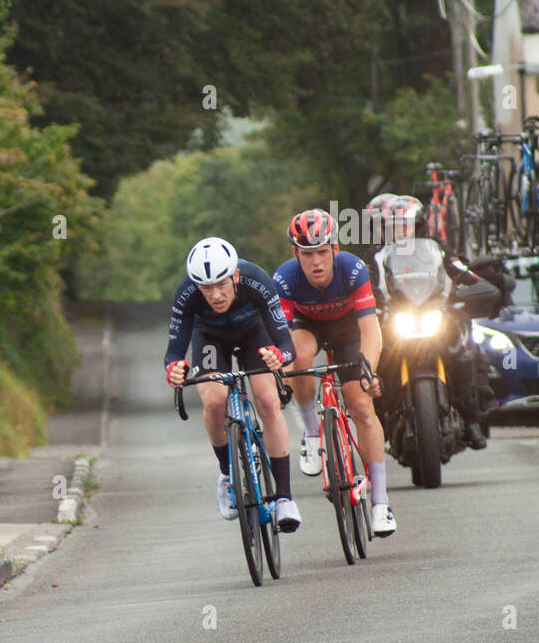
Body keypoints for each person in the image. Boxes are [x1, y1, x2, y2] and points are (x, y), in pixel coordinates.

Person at [164, 237, 301, 531]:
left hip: (255, 333)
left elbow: (287, 344)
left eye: (222, 285)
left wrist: (280, 356)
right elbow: (174, 352)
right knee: (214, 402)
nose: (215, 295)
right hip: (210, 338)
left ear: (235, 275)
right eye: (206, 288)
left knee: (267, 401)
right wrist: (174, 369)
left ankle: (284, 499)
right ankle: (228, 475)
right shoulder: (186, 293)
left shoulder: (257, 280)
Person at [273, 209, 396, 537]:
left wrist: (369, 370)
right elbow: (282, 341)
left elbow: (370, 329)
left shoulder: (353, 270)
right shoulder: (284, 279)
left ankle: (381, 502)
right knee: (298, 355)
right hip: (306, 327)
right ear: (295, 253)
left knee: (361, 407)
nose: (316, 262)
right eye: (307, 254)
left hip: (347, 331)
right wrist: (282, 377)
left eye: (322, 253)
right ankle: (312, 433)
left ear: (335, 250)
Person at [370, 195, 505, 450]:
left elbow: (462, 273)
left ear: (419, 226)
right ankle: (377, 419)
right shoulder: (377, 257)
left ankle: (471, 418)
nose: (399, 232)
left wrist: (476, 286)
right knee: (374, 361)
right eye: (393, 227)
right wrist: (370, 305)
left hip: (434, 316)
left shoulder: (438, 250)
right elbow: (363, 285)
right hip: (395, 320)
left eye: (404, 225)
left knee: (465, 352)